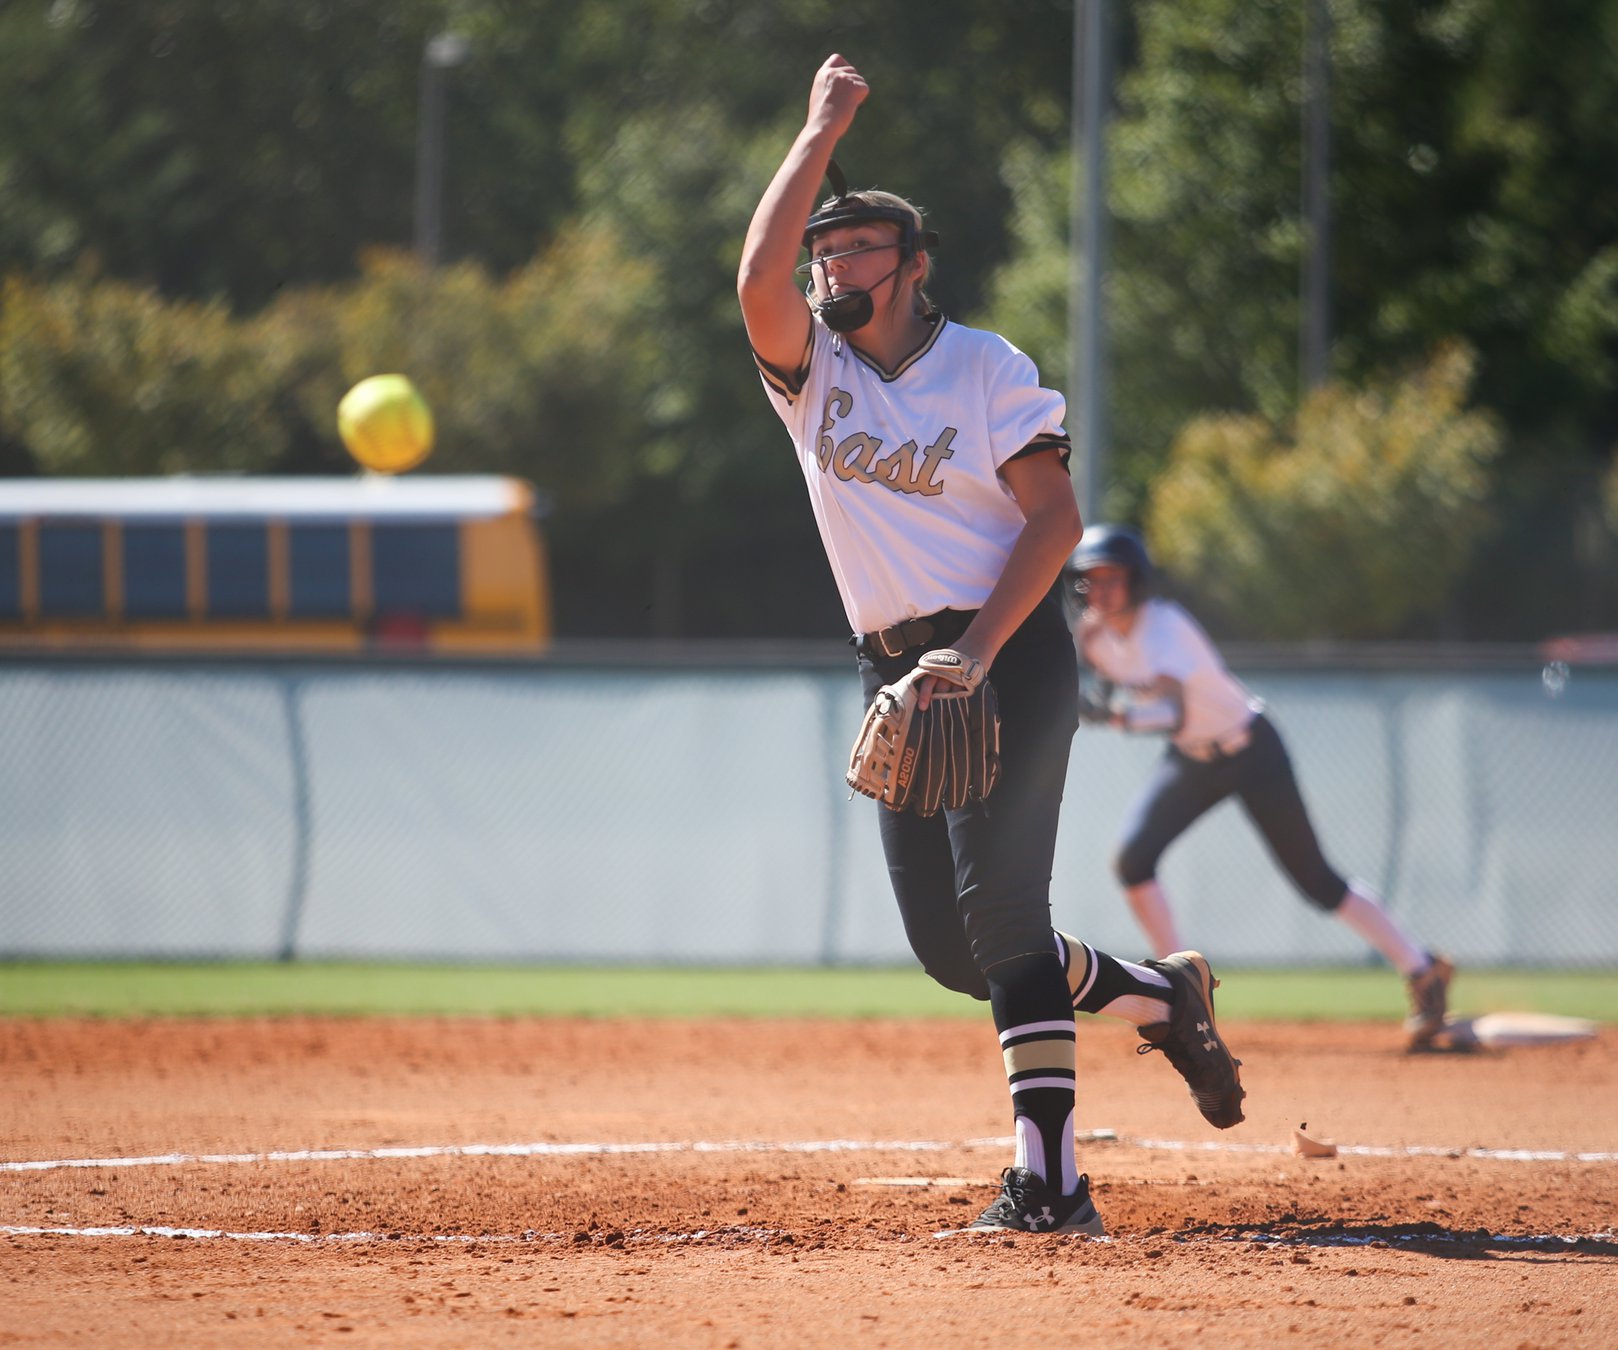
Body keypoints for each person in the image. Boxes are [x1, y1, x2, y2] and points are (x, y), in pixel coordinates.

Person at [737, 54, 1245, 1236]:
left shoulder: (983, 366)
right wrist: (820, 131)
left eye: (857, 248)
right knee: (954, 952)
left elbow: (1054, 522)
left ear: (914, 266)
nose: (829, 265)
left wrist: (972, 646)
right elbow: (756, 272)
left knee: (1006, 920)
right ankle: (1162, 994)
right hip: (896, 676)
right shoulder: (811, 381)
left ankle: (1052, 1183)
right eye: (825, 251)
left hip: (1003, 654)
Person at [1063, 522, 1455, 1050]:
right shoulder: (1093, 632)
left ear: (1137, 581)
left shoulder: (1165, 628)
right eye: (1092, 578)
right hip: (1194, 760)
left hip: (1251, 750)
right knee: (1132, 860)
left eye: (1113, 577)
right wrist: (1104, 703)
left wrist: (1113, 717)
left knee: (1316, 881)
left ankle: (1422, 969)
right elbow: (1117, 684)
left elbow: (1174, 711)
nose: (1101, 589)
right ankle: (1183, 988)